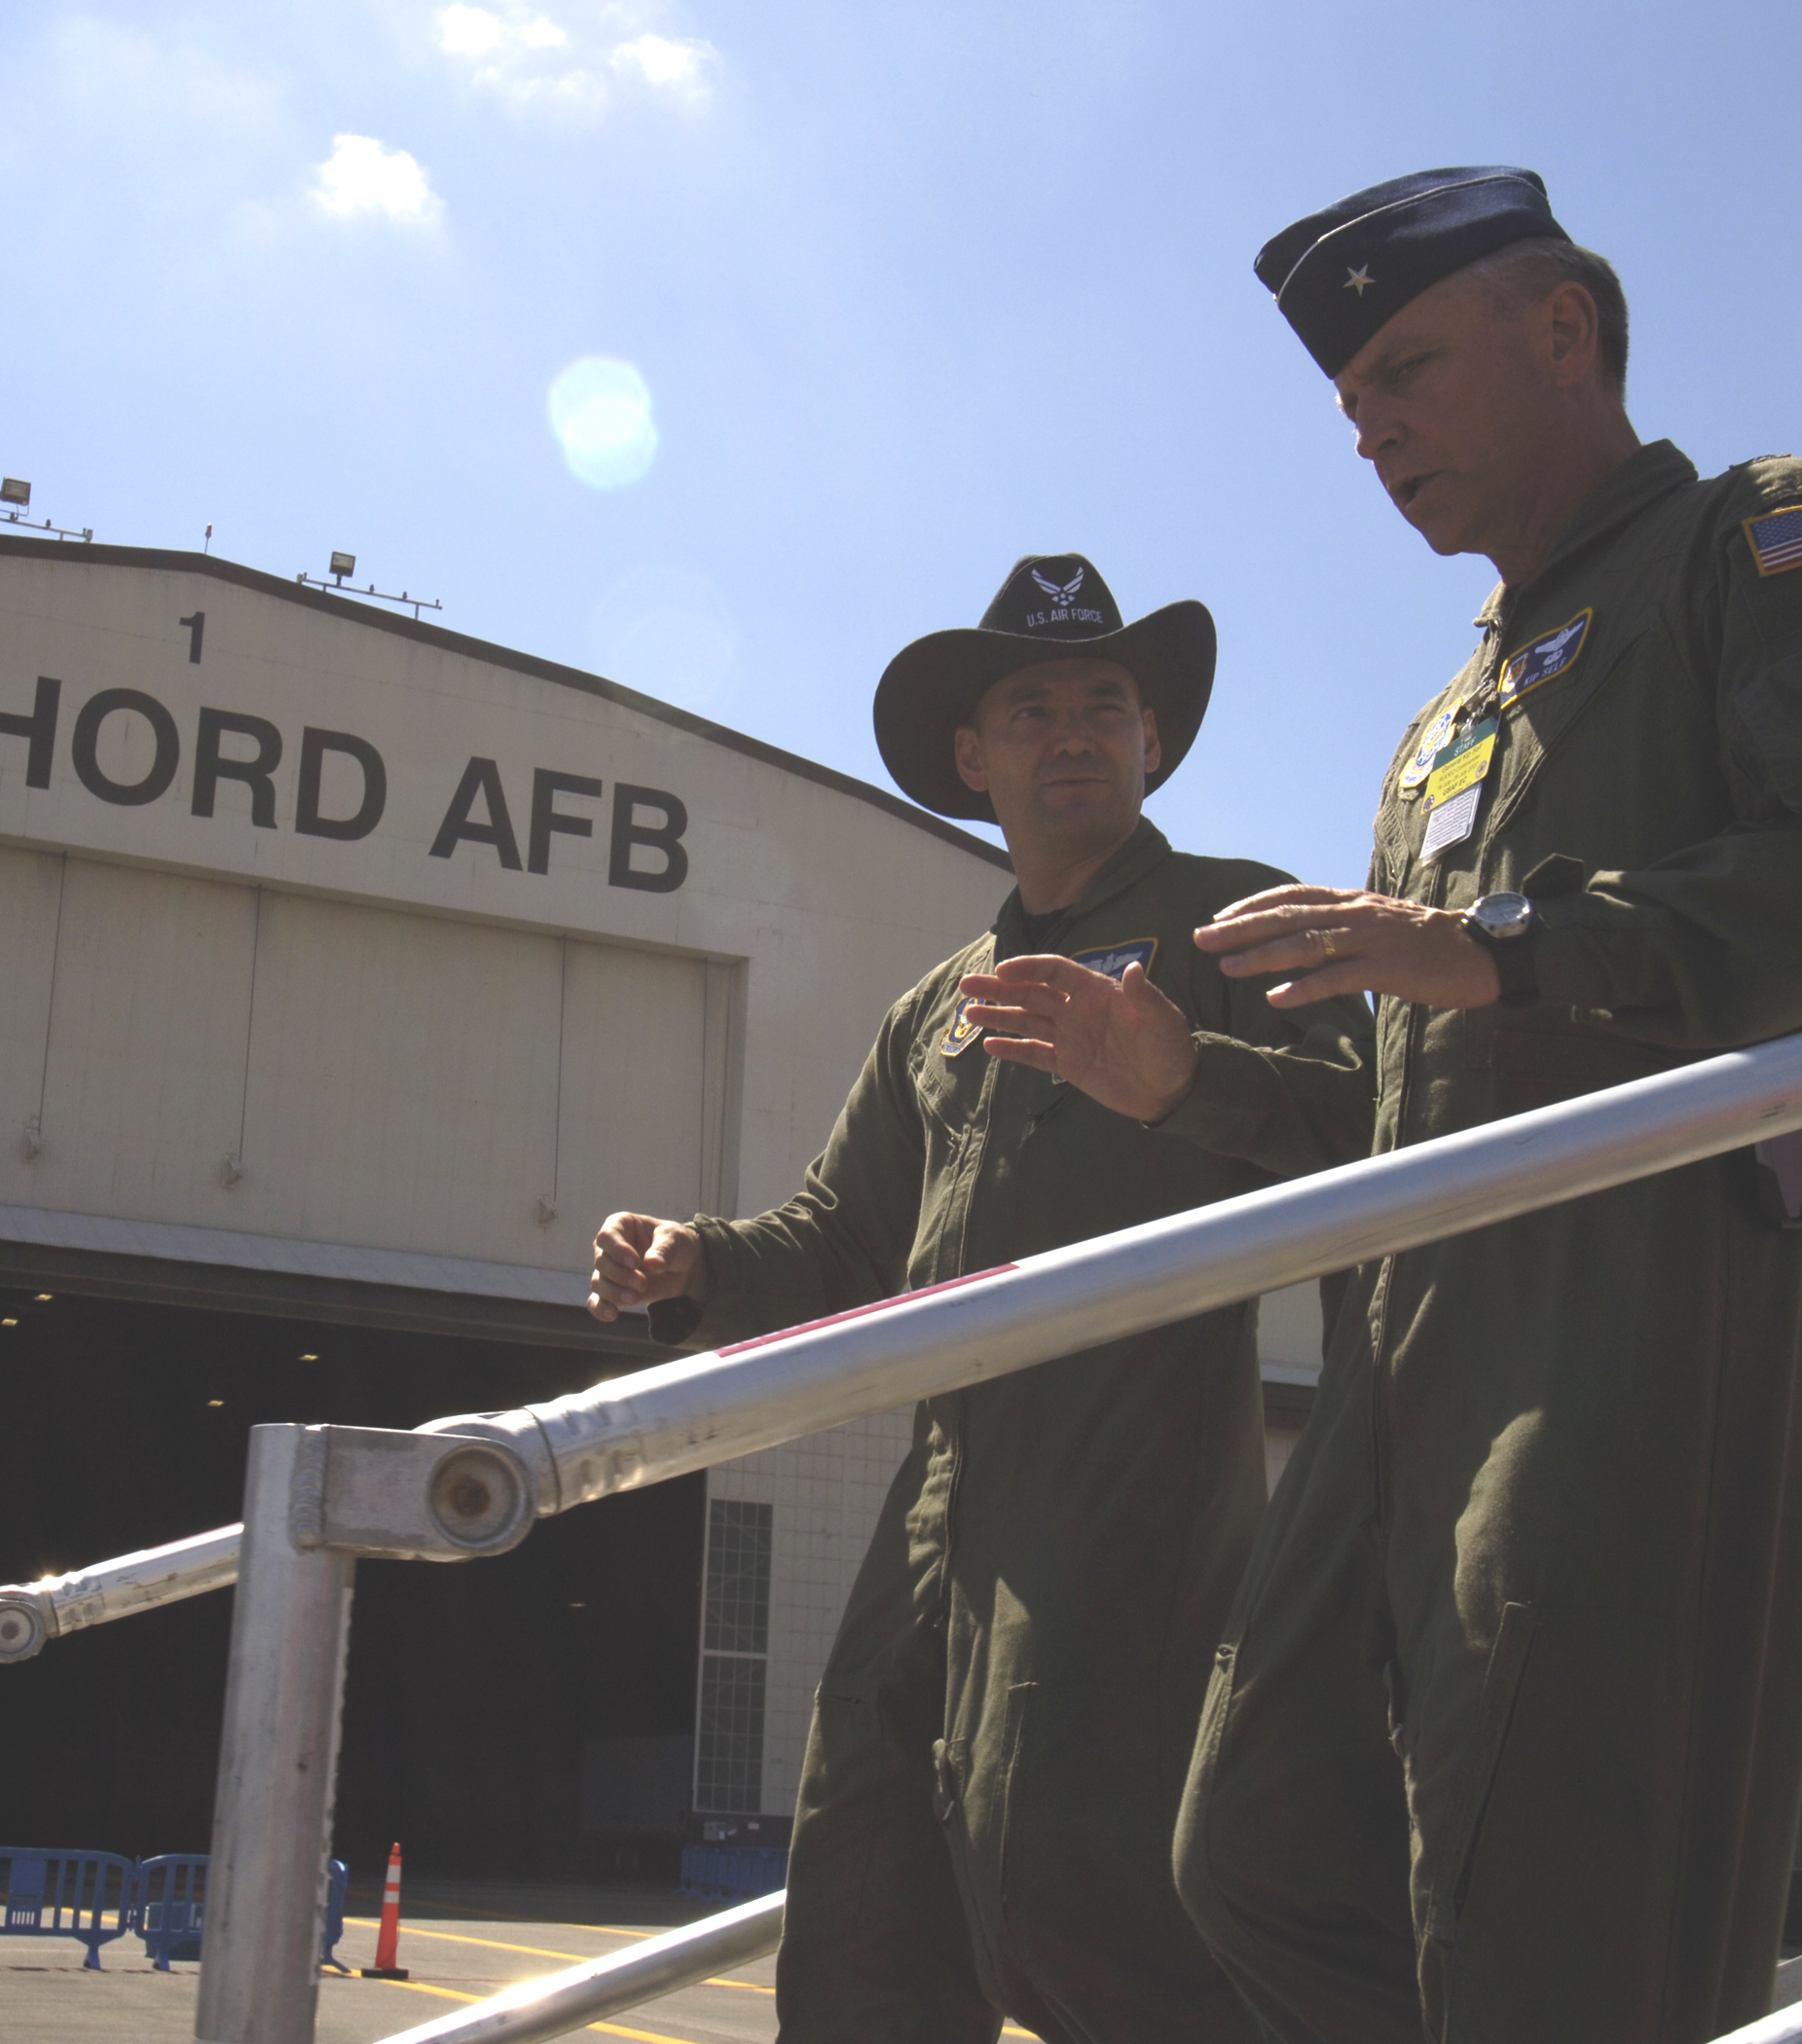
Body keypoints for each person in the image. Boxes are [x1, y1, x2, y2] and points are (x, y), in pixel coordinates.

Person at [1098, 166, 1802, 2043]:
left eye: (1406, 370)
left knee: (1553, 1892)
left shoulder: (1753, 541)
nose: (1376, 434)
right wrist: (1187, 1085)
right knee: (1247, 1843)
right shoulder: (1438, 724)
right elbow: (1392, 1085)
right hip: (1411, 1319)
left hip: (1635, 1291)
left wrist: (1507, 942)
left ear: (1563, 329)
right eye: (1351, 410)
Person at [587, 554, 1373, 2044]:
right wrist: (695, 1262)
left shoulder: (1231, 926)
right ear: (973, 756)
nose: (1071, 732)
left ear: (1153, 742)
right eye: (1031, 709)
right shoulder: (937, 1006)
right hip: (939, 1491)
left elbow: (1383, 1138)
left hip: (1136, 1471)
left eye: (1104, 704)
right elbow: (838, 1238)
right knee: (865, 1903)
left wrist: (1183, 1076)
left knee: (1083, 1905)